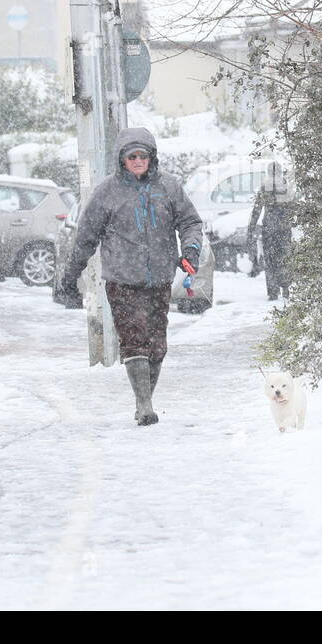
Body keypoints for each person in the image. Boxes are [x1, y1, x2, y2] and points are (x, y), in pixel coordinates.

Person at [57, 127, 204, 426]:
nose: (138, 161)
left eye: (143, 156)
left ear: (152, 158)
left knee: (157, 345)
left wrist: (190, 251)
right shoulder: (107, 193)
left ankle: (145, 397)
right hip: (122, 280)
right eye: (131, 156)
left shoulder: (169, 188)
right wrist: (70, 276)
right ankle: (144, 403)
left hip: (159, 279)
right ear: (121, 160)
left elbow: (190, 222)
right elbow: (85, 238)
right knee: (135, 341)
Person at [246, 161, 294, 301]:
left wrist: (252, 226)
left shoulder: (264, 186)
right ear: (280, 171)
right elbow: (293, 206)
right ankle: (286, 288)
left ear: (268, 172)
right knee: (285, 258)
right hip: (284, 227)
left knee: (271, 259)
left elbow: (257, 208)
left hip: (269, 228)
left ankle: (273, 291)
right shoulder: (286, 186)